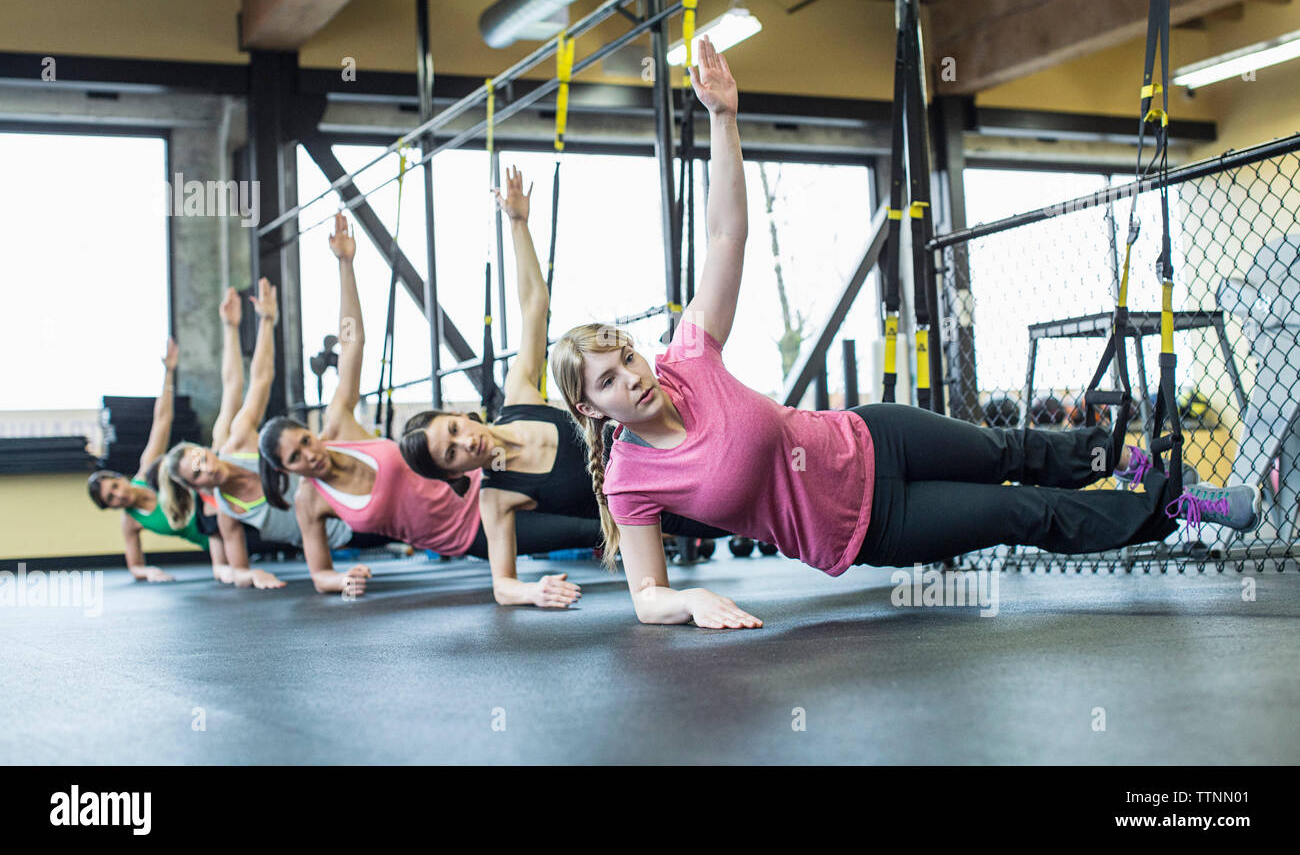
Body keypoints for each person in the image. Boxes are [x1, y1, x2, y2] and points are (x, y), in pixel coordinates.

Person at [548, 35, 1260, 630]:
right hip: (868, 522)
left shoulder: (688, 358)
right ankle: (1175, 506)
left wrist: (724, 118)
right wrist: (689, 599)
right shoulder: (631, 480)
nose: (634, 378)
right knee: (1020, 508)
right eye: (609, 381)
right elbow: (646, 598)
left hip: (869, 435)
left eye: (628, 359)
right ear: (588, 407)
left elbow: (726, 234)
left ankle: (1132, 463)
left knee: (1008, 446)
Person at [397, 167, 728, 607]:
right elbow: (502, 585)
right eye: (451, 454)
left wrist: (518, 224)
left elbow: (534, 307)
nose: (465, 442)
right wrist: (533, 591)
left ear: (458, 417)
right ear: (455, 474)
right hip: (675, 512)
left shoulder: (519, 398)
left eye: (453, 431)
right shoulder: (496, 499)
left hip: (688, 447)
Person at [257, 210, 607, 602]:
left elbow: (352, 343)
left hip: (491, 479)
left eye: (303, 441)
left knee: (606, 510)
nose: (309, 455)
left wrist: (345, 265)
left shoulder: (338, 426)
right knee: (592, 531)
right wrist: (342, 580)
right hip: (468, 532)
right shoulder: (311, 500)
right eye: (295, 459)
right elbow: (320, 573)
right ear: (285, 470)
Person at [159, 278, 352, 590]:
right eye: (197, 474)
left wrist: (263, 321)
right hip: (341, 538)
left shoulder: (238, 442)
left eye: (200, 459)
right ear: (197, 487)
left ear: (204, 450)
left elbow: (256, 380)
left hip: (353, 498)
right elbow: (234, 569)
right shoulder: (227, 511)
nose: (206, 468)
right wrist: (253, 575)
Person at [86, 289, 244, 582]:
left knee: (226, 428)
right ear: (110, 506)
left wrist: (168, 373)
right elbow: (135, 565)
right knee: (232, 569)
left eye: (114, 487)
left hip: (225, 508)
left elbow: (162, 421)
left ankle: (231, 328)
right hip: (217, 543)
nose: (119, 495)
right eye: (111, 498)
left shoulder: (149, 470)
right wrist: (147, 571)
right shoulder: (131, 522)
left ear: (120, 478)